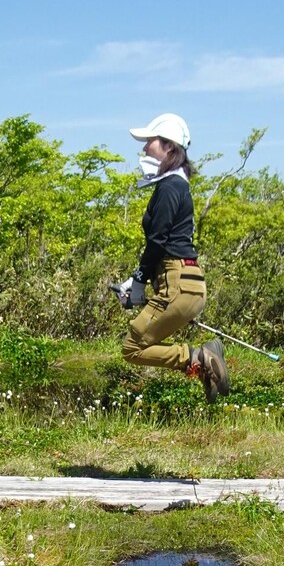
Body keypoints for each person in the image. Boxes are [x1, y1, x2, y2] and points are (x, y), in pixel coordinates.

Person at [113, 113, 230, 402]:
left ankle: (199, 358)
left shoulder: (169, 186)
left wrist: (139, 281)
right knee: (139, 344)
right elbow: (166, 244)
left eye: (149, 142)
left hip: (176, 283)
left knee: (132, 349)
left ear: (169, 146)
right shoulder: (178, 185)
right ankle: (205, 370)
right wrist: (135, 280)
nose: (144, 148)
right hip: (188, 283)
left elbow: (158, 240)